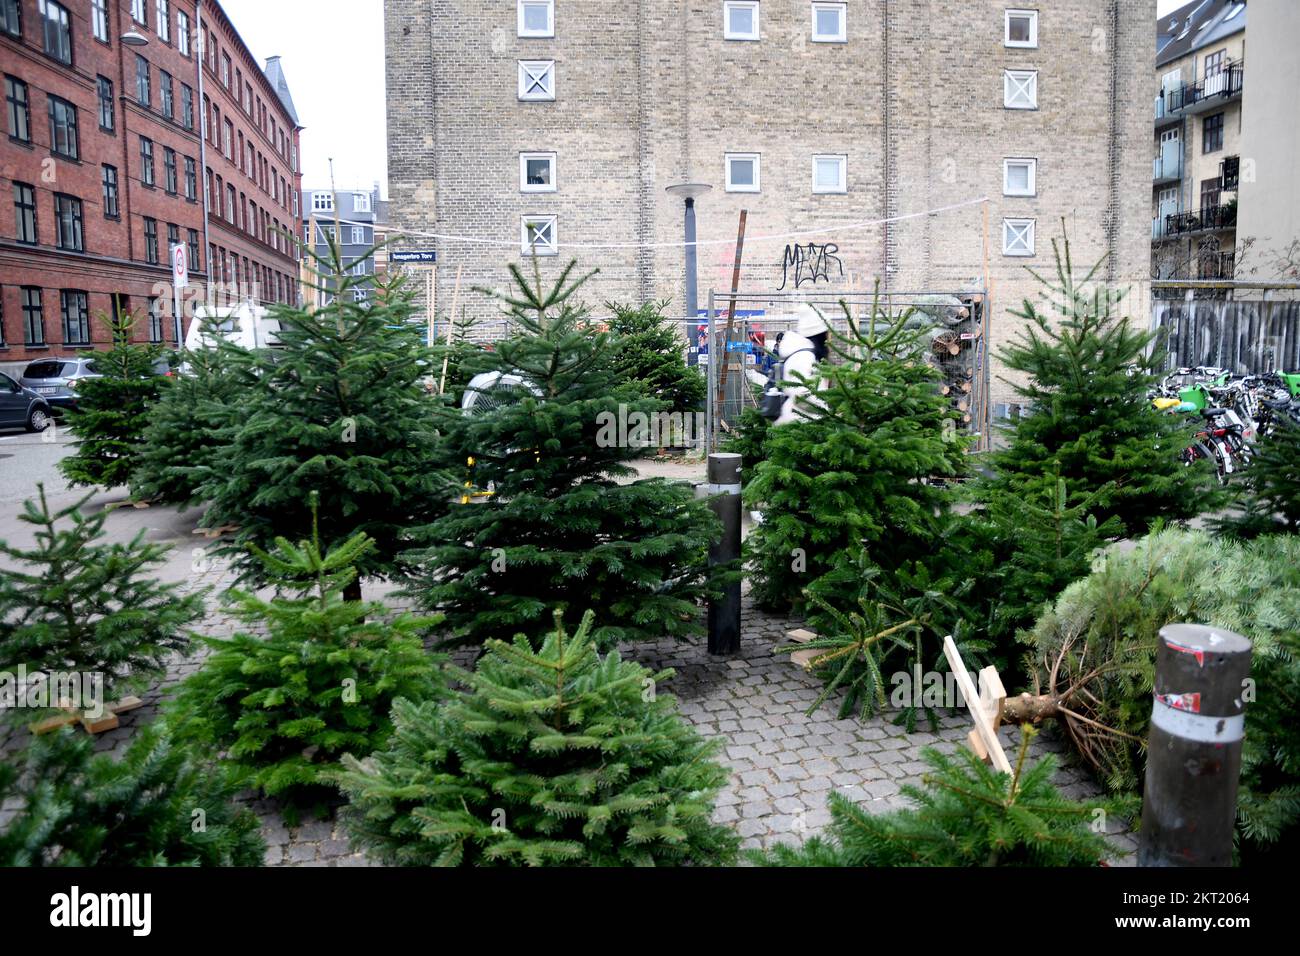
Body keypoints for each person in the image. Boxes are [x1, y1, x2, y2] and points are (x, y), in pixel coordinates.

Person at [773, 304, 829, 425]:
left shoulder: (803, 354)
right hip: (799, 424)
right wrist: (827, 409)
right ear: (820, 335)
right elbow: (802, 395)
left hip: (799, 420)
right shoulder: (805, 357)